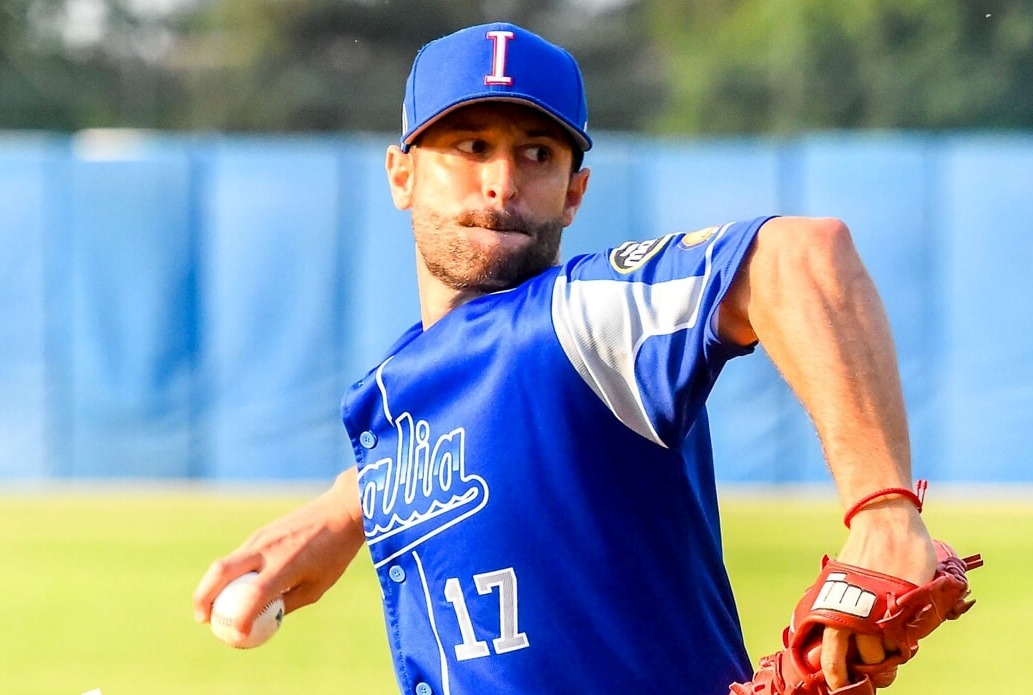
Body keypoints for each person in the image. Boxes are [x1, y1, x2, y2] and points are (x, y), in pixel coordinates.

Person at [193, 21, 937, 694]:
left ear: (574, 193)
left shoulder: (577, 317)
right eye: (469, 145)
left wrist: (883, 508)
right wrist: (347, 506)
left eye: (536, 153)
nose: (501, 181)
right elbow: (483, 419)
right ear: (401, 174)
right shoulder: (397, 391)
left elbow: (798, 255)